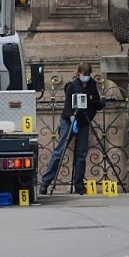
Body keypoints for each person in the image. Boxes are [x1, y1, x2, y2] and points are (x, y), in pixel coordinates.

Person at [39, 62, 104, 195]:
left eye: (87, 75)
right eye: (83, 74)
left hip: (84, 121)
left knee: (81, 154)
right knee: (59, 152)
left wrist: (100, 104)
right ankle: (45, 183)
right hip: (69, 120)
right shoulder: (72, 86)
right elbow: (68, 106)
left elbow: (95, 103)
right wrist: (72, 119)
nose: (85, 77)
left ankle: (79, 185)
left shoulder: (92, 85)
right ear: (78, 73)